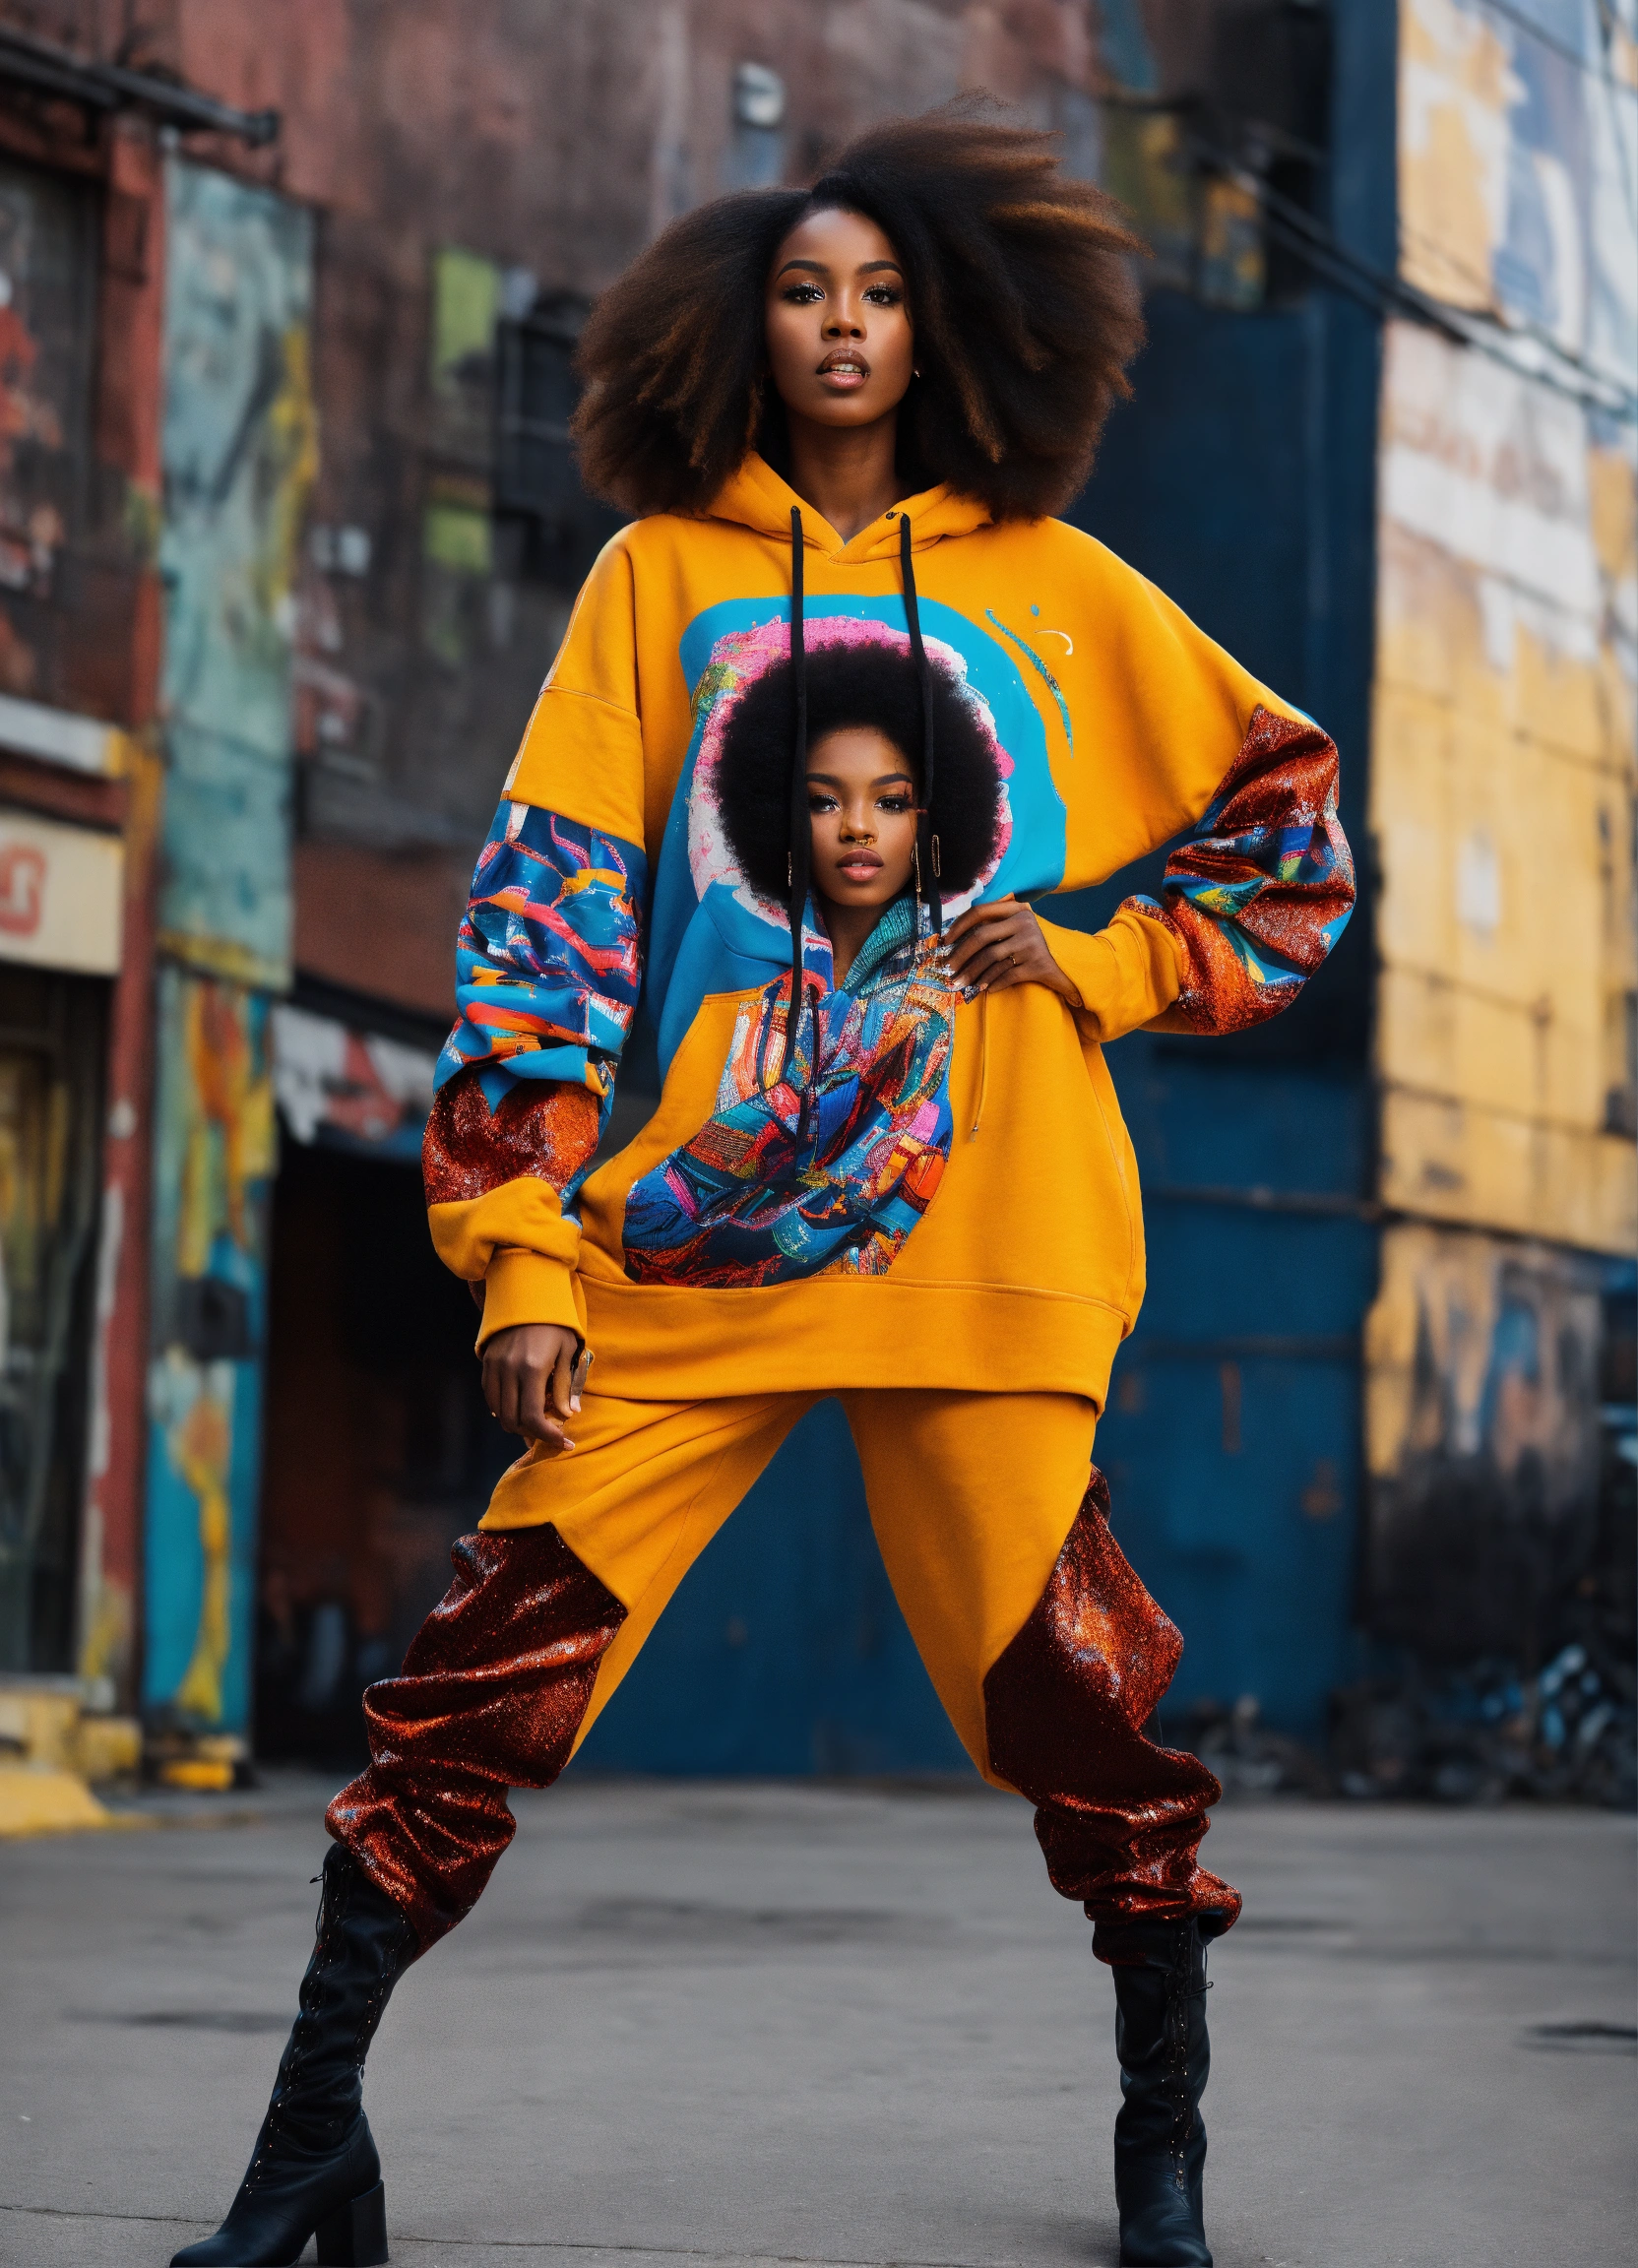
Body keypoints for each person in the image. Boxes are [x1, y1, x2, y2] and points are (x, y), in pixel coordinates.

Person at [173, 100, 1354, 2268]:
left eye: (882, 295)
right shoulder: (658, 584)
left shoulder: (1061, 595)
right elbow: (543, 932)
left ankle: (1159, 2143)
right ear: (748, 320)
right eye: (805, 290)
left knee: (1073, 1712)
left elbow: (1288, 836)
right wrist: (523, 1252)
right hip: (686, 1254)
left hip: (991, 1248)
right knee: (477, 1684)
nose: (841, 328)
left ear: (944, 327)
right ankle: (304, 2149)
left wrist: (1098, 962)